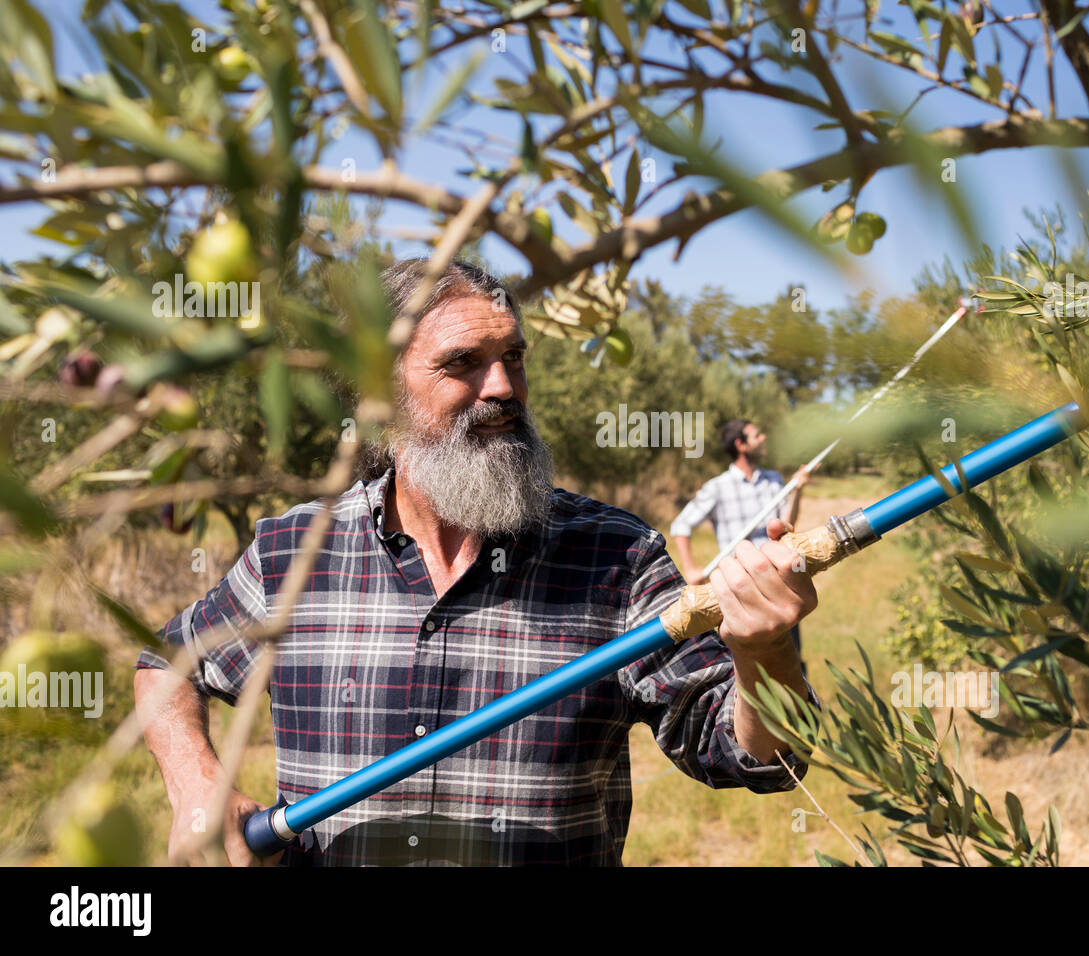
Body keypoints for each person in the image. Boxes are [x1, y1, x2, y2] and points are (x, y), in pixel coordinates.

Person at [133, 258, 819, 867]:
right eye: (463, 363)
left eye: (513, 358)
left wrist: (766, 653)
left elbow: (759, 761)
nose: (502, 388)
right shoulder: (293, 553)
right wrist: (195, 785)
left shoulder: (616, 556)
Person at [671, 420, 812, 652]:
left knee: (791, 654)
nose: (763, 438)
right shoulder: (717, 487)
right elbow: (681, 526)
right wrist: (690, 569)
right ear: (741, 445)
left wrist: (797, 489)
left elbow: (788, 523)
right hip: (742, 588)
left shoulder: (774, 479)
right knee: (753, 659)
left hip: (779, 581)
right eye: (757, 435)